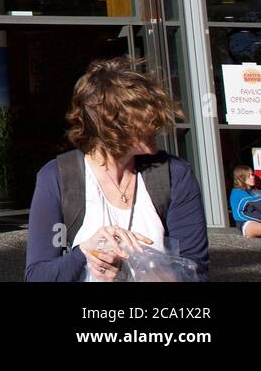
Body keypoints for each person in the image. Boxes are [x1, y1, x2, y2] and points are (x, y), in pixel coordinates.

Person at [24, 58, 210, 281]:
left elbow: (195, 271)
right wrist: (86, 253)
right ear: (111, 121)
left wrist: (146, 264)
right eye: (146, 114)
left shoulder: (174, 175)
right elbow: (37, 275)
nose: (158, 122)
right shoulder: (58, 178)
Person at [229, 167, 261, 238]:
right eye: (248, 175)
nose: (252, 177)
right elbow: (238, 215)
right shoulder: (237, 193)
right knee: (250, 226)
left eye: (252, 174)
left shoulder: (256, 192)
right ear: (241, 178)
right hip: (247, 223)